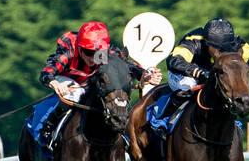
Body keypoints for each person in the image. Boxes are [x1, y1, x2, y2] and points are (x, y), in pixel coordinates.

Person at [34, 20, 159, 152]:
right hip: (68, 80)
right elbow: (46, 72)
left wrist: (145, 75)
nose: (93, 58)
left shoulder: (106, 53)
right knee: (76, 94)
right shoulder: (68, 53)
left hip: (91, 80)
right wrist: (54, 83)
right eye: (88, 52)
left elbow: (128, 65)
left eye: (98, 53)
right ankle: (48, 128)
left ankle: (119, 131)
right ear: (80, 48)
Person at [163, 16, 249, 104]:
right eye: (217, 48)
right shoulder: (194, 41)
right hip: (184, 75)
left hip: (211, 75)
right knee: (189, 86)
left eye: (224, 48)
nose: (220, 52)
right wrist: (198, 73)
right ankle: (162, 122)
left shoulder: (236, 42)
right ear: (206, 43)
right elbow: (174, 61)